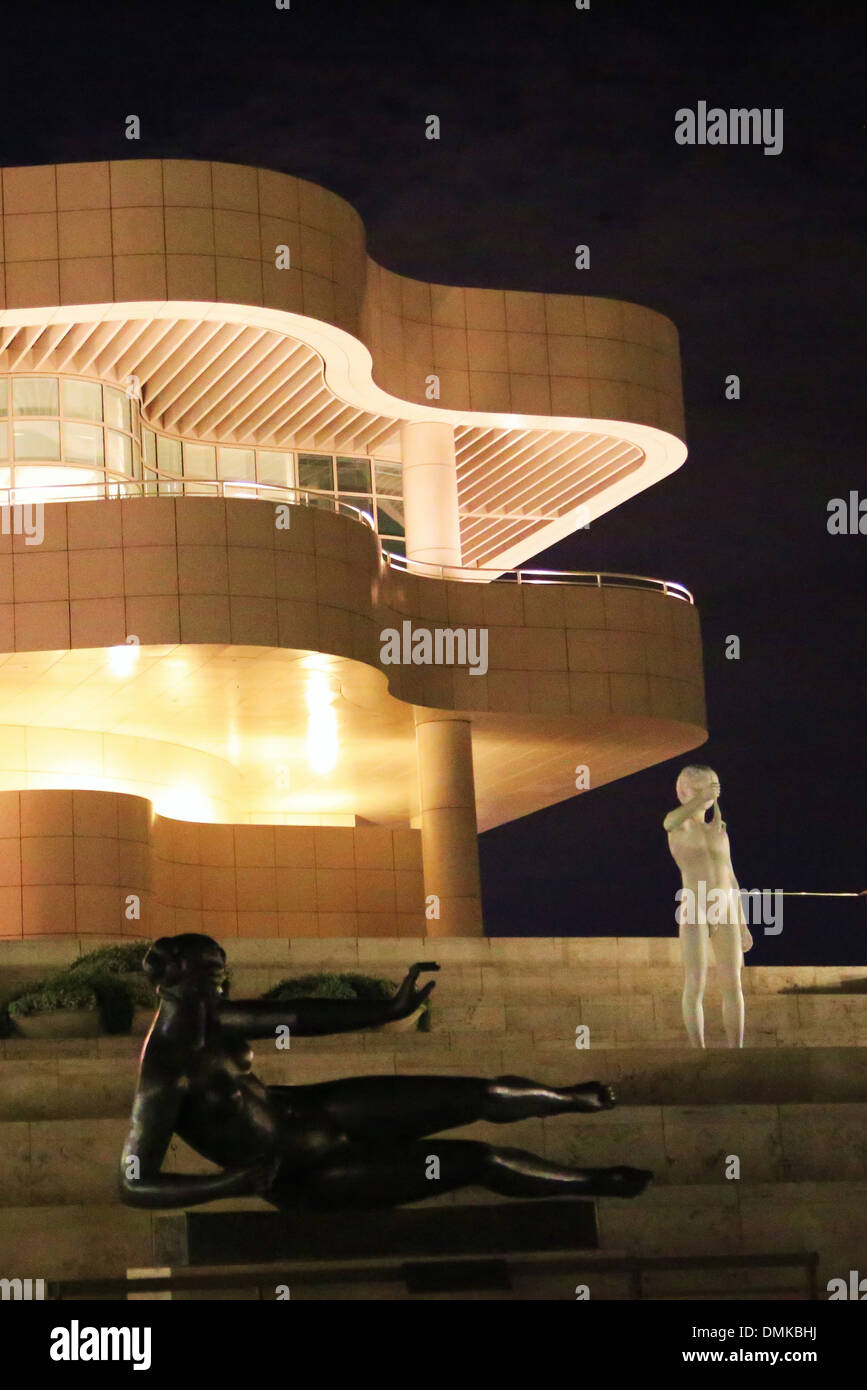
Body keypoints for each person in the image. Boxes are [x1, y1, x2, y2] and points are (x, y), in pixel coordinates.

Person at [119, 934, 652, 1211]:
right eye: (210, 972)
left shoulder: (220, 1017)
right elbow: (133, 1184)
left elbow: (301, 1017)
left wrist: (389, 1011)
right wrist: (230, 1183)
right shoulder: (165, 1074)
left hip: (316, 1109)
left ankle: (563, 1099)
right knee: (479, 1159)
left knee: (480, 1093)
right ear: (175, 979)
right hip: (303, 1173)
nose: (221, 979)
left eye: (221, 969)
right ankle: (593, 1180)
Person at [664, 765, 752, 1048]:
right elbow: (668, 822)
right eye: (700, 788)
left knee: (733, 983)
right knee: (695, 981)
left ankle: (735, 1048)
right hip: (695, 907)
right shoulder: (680, 826)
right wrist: (697, 800)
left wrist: (743, 924)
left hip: (724, 907)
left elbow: (732, 878)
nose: (708, 794)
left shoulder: (719, 831)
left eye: (712, 788)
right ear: (683, 792)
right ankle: (697, 1048)